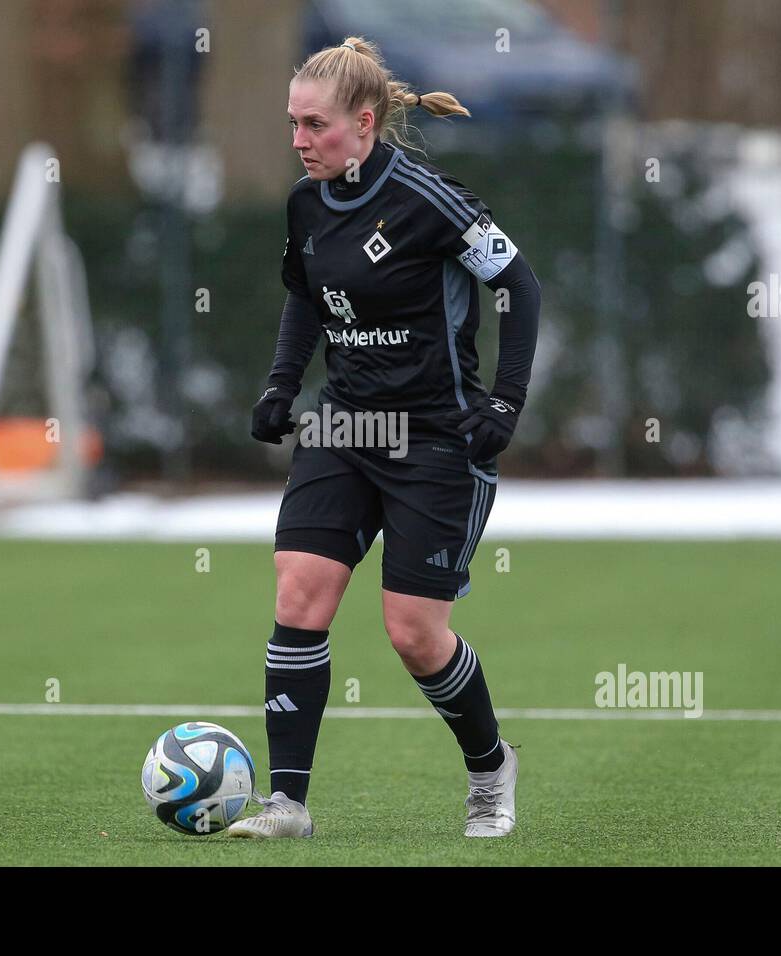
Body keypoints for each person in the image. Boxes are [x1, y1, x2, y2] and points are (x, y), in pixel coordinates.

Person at [227, 36, 540, 839]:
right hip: (345, 426)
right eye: (293, 124)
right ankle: (287, 804)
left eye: (315, 125)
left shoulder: (429, 200)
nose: (300, 140)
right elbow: (304, 297)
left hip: (436, 439)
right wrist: (279, 384)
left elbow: (518, 284)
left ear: (364, 124)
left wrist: (504, 406)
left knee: (413, 632)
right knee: (298, 591)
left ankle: (489, 769)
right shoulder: (305, 203)